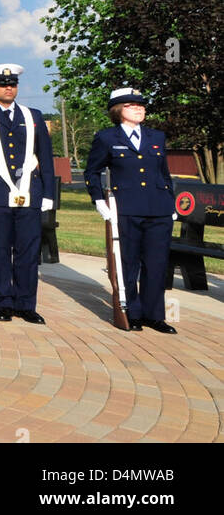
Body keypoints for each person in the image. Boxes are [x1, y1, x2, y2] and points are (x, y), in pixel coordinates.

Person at [83, 88, 178, 334]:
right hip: (126, 208)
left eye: (142, 105)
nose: (140, 109)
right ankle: (132, 313)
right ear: (118, 110)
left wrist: (171, 202)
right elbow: (91, 171)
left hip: (159, 208)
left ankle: (155, 316)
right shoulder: (106, 138)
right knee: (128, 263)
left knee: (157, 264)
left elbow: (163, 173)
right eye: (132, 105)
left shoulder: (156, 136)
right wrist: (98, 200)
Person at [0, 64, 55, 324]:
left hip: (29, 192)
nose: (8, 87)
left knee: (28, 252)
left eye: (12, 84)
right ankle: (2, 303)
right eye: (2, 83)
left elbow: (46, 158)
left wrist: (48, 193)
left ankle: (26, 304)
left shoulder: (34, 116)